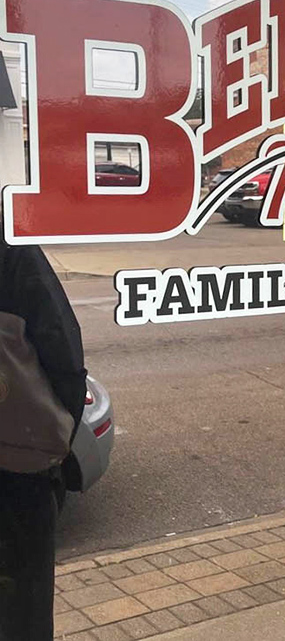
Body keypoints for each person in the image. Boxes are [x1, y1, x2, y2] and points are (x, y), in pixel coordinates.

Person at [0, 235, 87, 641]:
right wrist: (59, 428)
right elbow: (62, 350)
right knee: (23, 607)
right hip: (15, 464)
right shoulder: (12, 246)